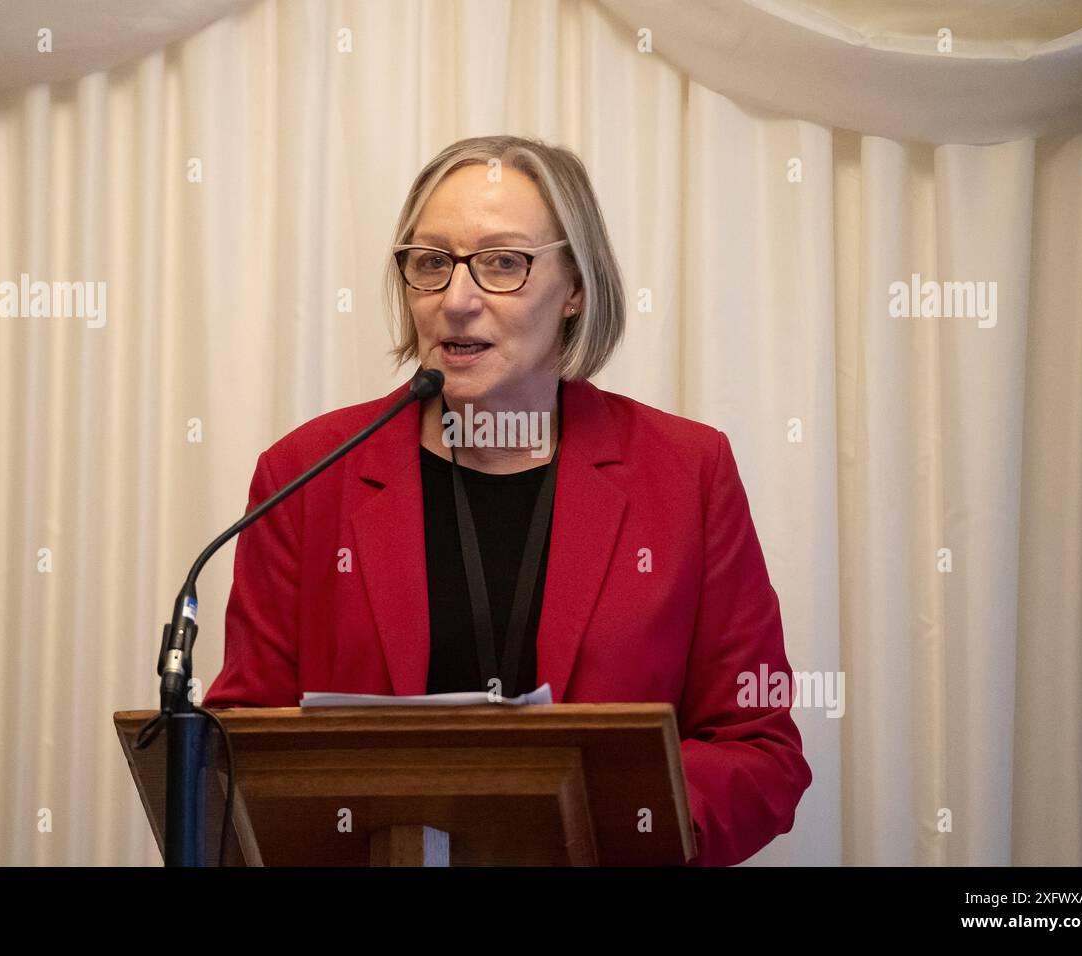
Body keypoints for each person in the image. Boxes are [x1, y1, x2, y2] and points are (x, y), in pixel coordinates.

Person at [203, 135, 811, 865]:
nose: (457, 301)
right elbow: (239, 745)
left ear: (576, 287)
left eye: (502, 263)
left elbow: (759, 750)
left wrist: (597, 816)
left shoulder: (688, 471)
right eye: (431, 264)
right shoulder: (305, 474)